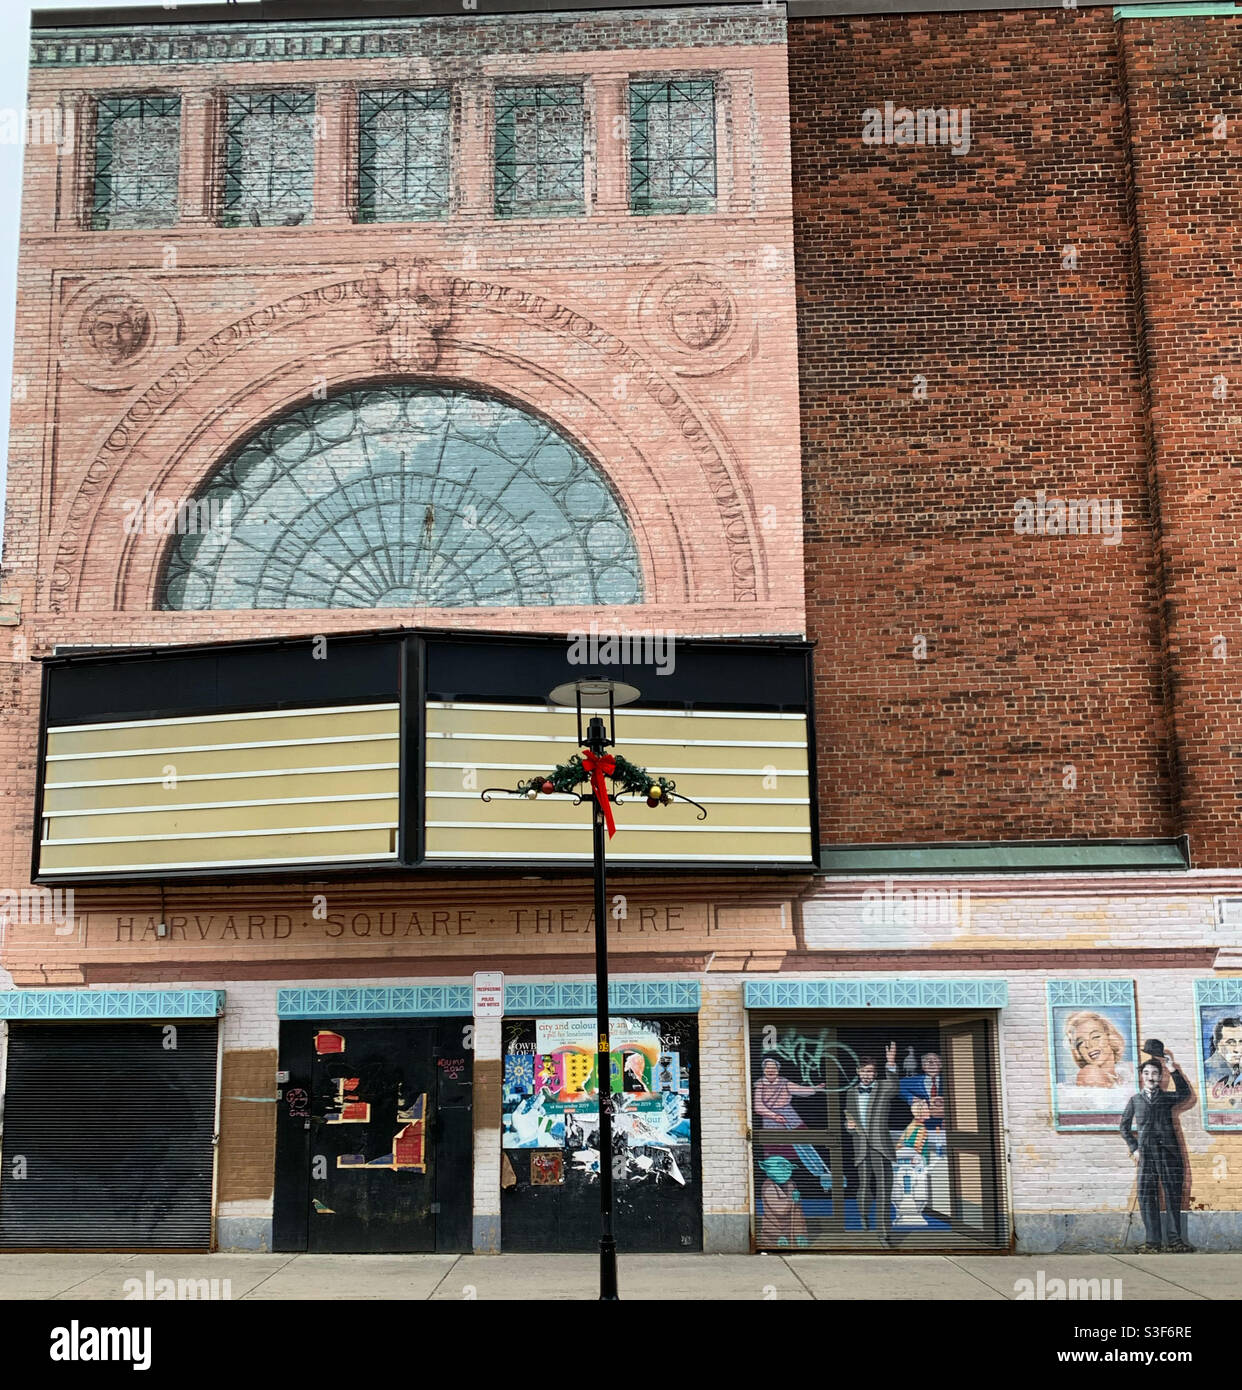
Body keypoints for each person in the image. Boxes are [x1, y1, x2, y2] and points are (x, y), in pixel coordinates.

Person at [1119, 1046, 1194, 1253]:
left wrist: (1172, 1068)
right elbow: (1123, 1127)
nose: (1150, 1077)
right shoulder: (1135, 1101)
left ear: (1161, 1077)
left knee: (1172, 1195)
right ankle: (1152, 1242)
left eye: (1154, 1073)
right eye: (1146, 1073)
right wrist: (1134, 1148)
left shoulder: (1168, 1098)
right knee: (1146, 1196)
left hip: (1169, 1154)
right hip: (1146, 1155)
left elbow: (1185, 1094)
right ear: (1141, 1077)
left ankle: (1175, 1241)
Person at [845, 1041, 901, 1247]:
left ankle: (884, 1234)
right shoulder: (851, 1093)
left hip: (880, 1147)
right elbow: (848, 1118)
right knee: (863, 1187)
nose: (868, 1075)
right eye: (864, 1071)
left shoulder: (884, 1088)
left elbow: (895, 1086)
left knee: (884, 1189)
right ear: (858, 1071)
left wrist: (891, 1063)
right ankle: (863, 1216)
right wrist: (849, 1125)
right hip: (860, 1146)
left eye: (872, 1071)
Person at [1064, 1010, 1131, 1089]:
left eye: (1095, 1037)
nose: (1089, 1045)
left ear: (1109, 1036)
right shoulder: (1090, 1073)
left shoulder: (1127, 1072)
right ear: (1078, 1051)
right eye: (1080, 1042)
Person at [757, 1155, 809, 1248]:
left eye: (789, 1168)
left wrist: (800, 1233)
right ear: (766, 1168)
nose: (787, 1171)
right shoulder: (768, 1186)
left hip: (792, 1228)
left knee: (797, 1215)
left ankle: (798, 1235)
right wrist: (792, 1199)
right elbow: (779, 1210)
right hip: (775, 1227)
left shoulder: (791, 1184)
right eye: (782, 1167)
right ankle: (777, 1237)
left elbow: (797, 1212)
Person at [900, 1050, 946, 1129]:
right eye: (928, 1061)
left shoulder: (949, 1080)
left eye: (935, 1060)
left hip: (945, 1123)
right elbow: (897, 1085)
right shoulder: (915, 1081)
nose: (931, 1063)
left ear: (941, 1065)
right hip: (923, 1125)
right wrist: (910, 1098)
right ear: (923, 1066)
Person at [1204, 1017, 1242, 1103]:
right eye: (1230, 1042)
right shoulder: (1208, 1071)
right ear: (1217, 1045)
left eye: (1241, 1042)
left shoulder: (1237, 1067)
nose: (1238, 1049)